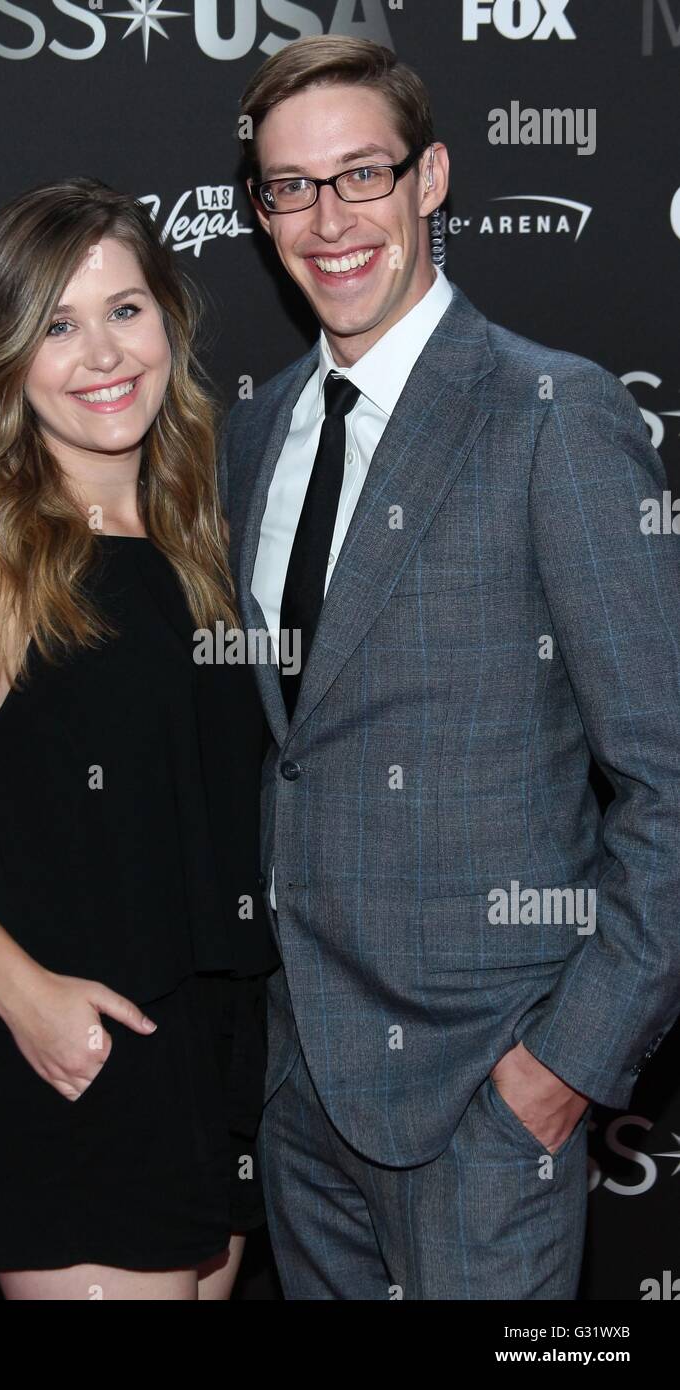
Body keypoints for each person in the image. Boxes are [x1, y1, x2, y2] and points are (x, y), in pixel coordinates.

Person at [217, 35, 680, 1299]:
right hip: (296, 1081)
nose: (328, 219)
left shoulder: (551, 414)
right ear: (259, 210)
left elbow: (666, 776)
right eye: (289, 188)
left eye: (359, 173)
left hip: (484, 1092)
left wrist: (564, 1067)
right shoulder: (254, 431)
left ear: (430, 180)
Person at [0, 176, 279, 1301]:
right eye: (58, 324)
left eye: (125, 309)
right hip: (71, 1058)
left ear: (169, 320)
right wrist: (20, 991)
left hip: (218, 1042)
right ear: (5, 355)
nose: (103, 353)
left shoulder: (202, 530)